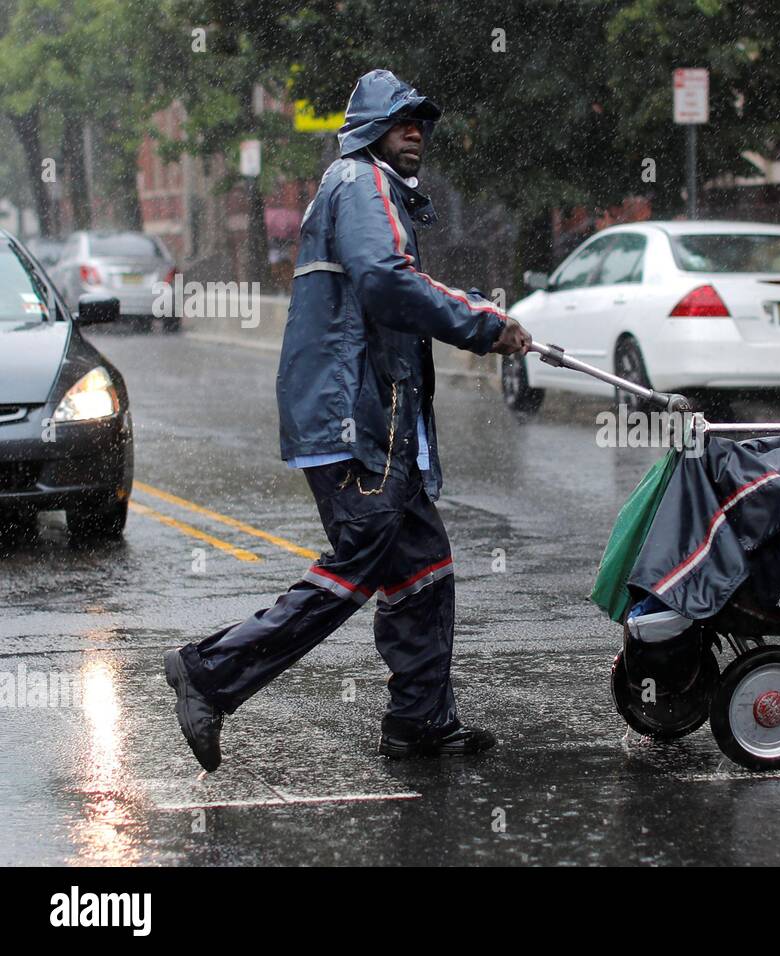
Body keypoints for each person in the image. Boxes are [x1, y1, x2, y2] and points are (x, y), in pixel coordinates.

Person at [164, 69, 531, 771]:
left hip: (368, 416)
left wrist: (482, 311)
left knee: (425, 572)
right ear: (370, 130)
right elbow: (387, 282)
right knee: (357, 566)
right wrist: (483, 325)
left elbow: (392, 283)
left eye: (421, 120)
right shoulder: (362, 183)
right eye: (402, 121)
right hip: (356, 419)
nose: (417, 130)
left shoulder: (366, 189)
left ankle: (419, 722)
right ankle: (208, 675)